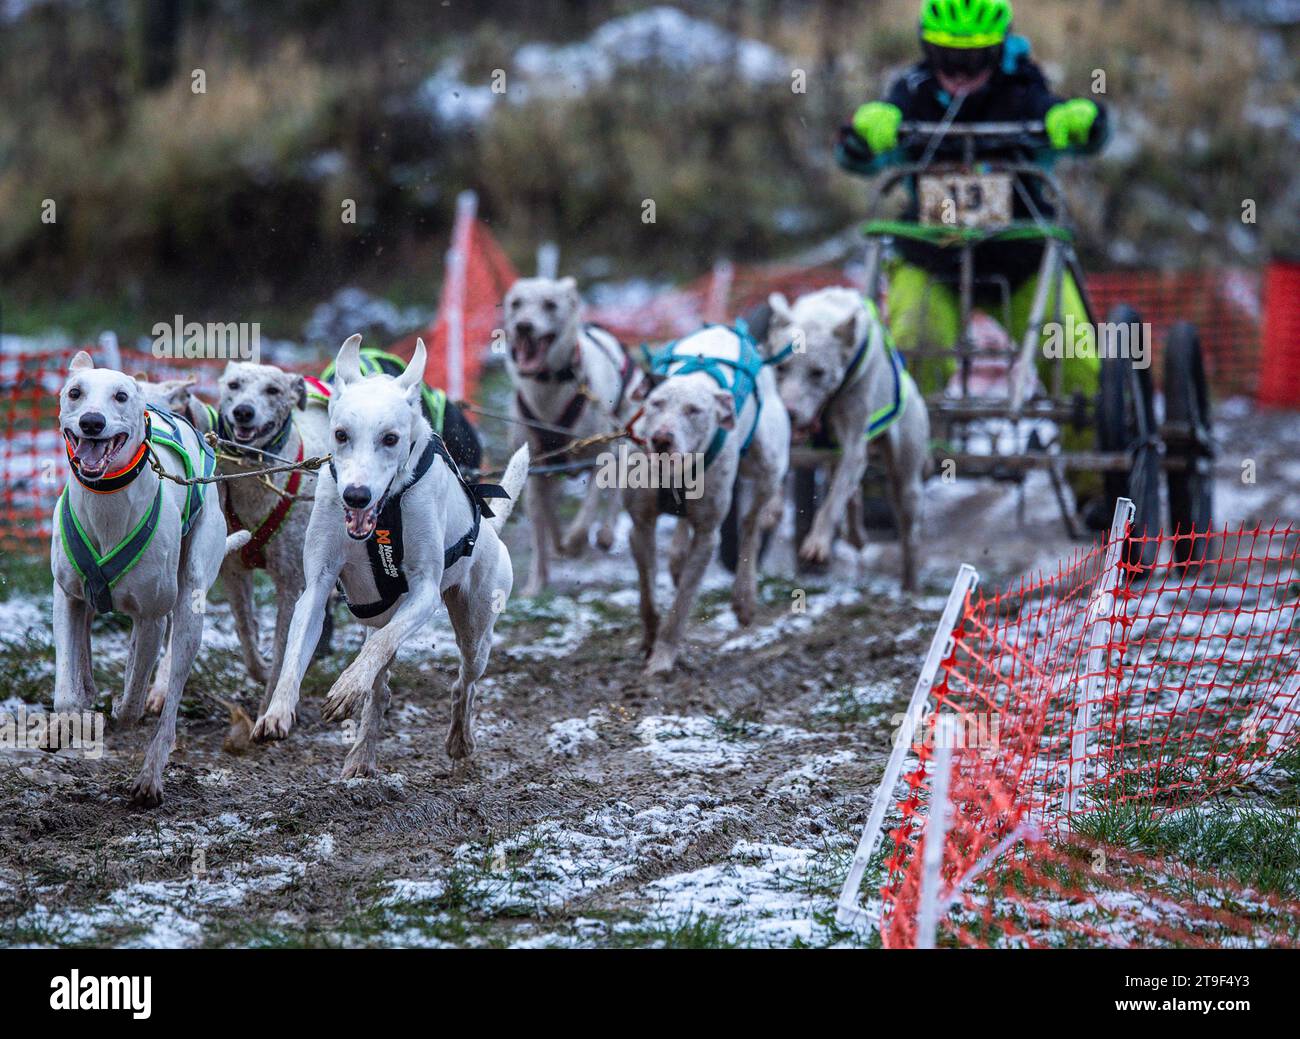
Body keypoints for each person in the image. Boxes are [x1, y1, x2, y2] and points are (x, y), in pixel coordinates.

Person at [836, 0, 1109, 517]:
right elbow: (861, 156)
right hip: (932, 258)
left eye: (974, 61)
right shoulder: (911, 95)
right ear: (926, 50)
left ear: (998, 52)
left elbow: (1082, 133)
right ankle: (888, 473)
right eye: (947, 58)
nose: (960, 74)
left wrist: (1082, 123)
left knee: (1076, 357)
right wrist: (863, 135)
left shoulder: (1026, 92)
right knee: (909, 345)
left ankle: (1096, 485)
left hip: (1021, 258)